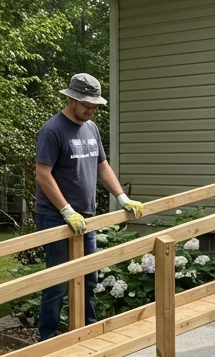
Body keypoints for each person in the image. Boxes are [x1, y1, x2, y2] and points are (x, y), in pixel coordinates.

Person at [35, 73, 144, 340]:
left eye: (94, 106)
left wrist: (122, 197)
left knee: (88, 279)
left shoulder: (91, 128)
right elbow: (43, 174)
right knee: (58, 282)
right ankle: (47, 339)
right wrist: (65, 210)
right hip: (55, 217)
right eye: (86, 105)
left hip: (87, 216)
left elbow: (101, 165)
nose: (91, 110)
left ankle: (86, 333)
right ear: (71, 99)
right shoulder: (52, 130)